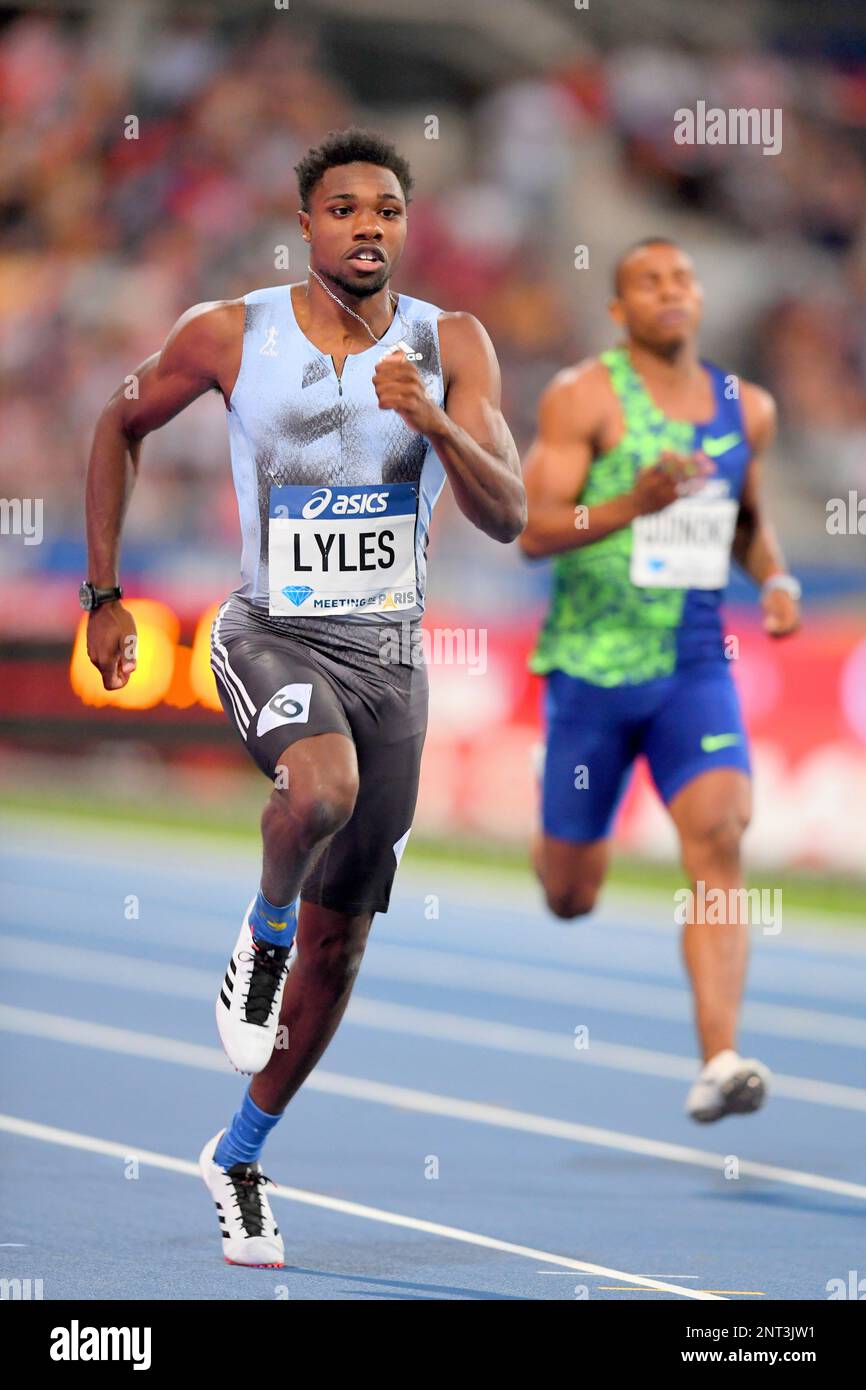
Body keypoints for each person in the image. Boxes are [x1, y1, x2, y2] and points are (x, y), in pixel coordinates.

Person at [83, 127, 525, 1266]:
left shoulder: (451, 341)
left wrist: (432, 420)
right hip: (270, 631)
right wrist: (103, 592)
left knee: (344, 953)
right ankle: (260, 929)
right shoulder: (232, 333)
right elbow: (116, 423)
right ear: (306, 224)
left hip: (392, 663)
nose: (366, 225)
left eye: (385, 208)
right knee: (314, 793)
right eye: (343, 209)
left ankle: (237, 1154)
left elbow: (510, 512)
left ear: (403, 227)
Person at [519, 237, 800, 1124]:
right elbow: (531, 527)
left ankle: (720, 1059)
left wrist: (779, 576)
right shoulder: (584, 397)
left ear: (701, 295)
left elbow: (745, 521)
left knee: (719, 836)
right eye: (648, 281)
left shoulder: (745, 407)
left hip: (692, 666)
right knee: (571, 893)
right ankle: (560, 843)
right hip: (592, 673)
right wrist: (628, 505)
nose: (670, 291)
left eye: (683, 276)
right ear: (619, 310)